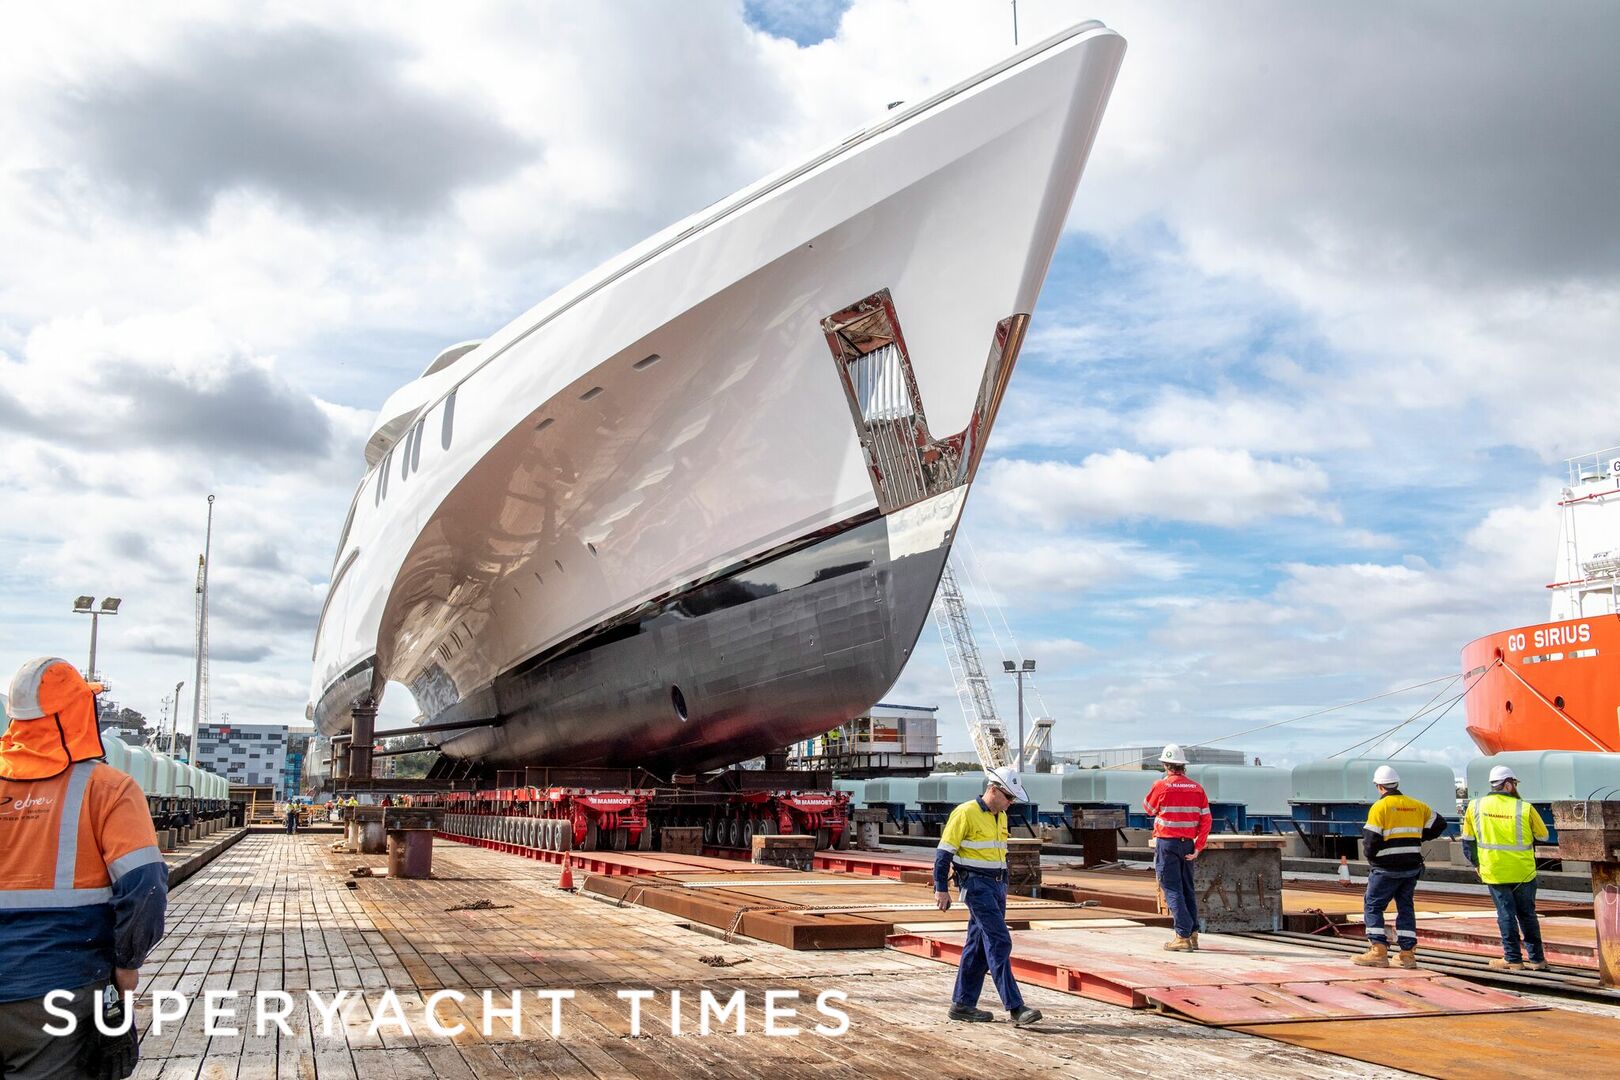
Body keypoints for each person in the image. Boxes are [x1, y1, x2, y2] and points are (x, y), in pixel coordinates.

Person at [0, 658, 168, 1078]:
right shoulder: (108, 788)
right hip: (58, 988)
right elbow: (145, 886)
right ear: (78, 712)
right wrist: (128, 965)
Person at [933, 766, 1042, 1027]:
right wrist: (941, 888)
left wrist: (1003, 884)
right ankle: (1016, 1008)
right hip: (976, 885)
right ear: (992, 789)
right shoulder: (965, 813)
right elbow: (943, 854)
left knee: (978, 945)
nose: (1010, 803)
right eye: (1008, 797)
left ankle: (962, 1004)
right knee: (999, 941)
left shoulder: (1000, 816)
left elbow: (997, 853)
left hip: (996, 886)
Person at [1354, 765, 1448, 969]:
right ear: (1396, 783)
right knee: (1405, 906)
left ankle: (1378, 950)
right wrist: (1418, 837)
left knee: (1373, 905)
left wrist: (1373, 859)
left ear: (1379, 786)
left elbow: (1370, 841)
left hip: (1385, 868)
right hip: (1411, 866)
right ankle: (1407, 954)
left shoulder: (1380, 807)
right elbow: (1440, 824)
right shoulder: (1417, 805)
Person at [1462, 764, 1550, 971]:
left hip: (1494, 870)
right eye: (1515, 783)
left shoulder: (1475, 806)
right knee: (1527, 914)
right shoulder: (1524, 807)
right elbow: (1544, 836)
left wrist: (1476, 863)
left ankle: (1513, 959)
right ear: (1508, 784)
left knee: (1505, 914)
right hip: (1523, 871)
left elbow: (1467, 840)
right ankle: (1537, 960)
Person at [1142, 744, 1211, 951]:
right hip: (1188, 844)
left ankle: (1182, 935)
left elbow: (1148, 809)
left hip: (1167, 843)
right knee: (1187, 888)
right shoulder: (1197, 788)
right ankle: (1193, 934)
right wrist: (1198, 846)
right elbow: (1206, 820)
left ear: (1165, 765)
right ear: (1183, 766)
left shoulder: (1161, 786)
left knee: (1171, 888)